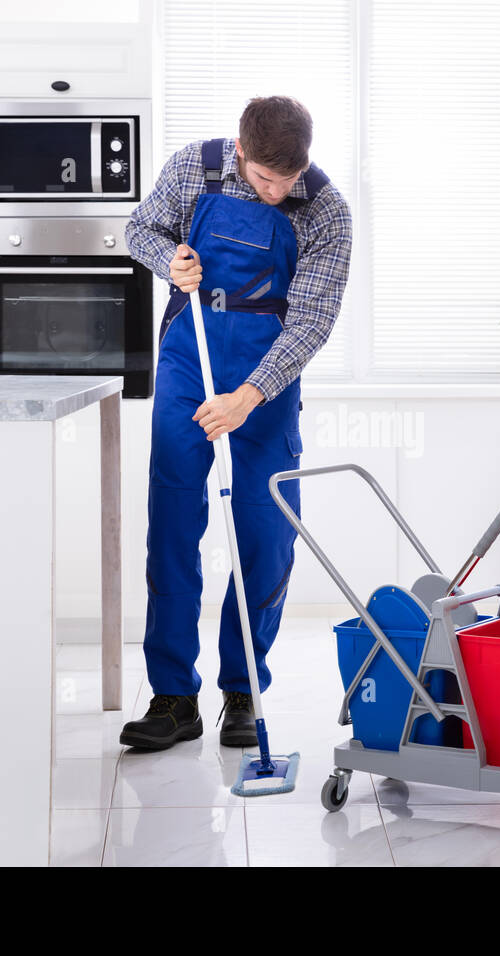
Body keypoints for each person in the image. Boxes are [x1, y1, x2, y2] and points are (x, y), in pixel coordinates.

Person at [120, 96, 352, 751]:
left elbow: (311, 320)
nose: (279, 194)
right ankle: (172, 697)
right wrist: (167, 259)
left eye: (290, 181)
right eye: (264, 181)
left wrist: (248, 395)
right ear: (241, 153)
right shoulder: (195, 168)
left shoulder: (327, 210)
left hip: (267, 371)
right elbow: (140, 228)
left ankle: (243, 691)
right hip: (189, 356)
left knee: (267, 529)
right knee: (172, 522)